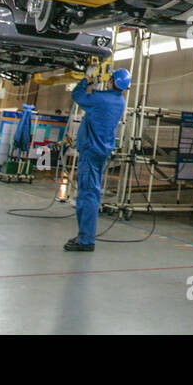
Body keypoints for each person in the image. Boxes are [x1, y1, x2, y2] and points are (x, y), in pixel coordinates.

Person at [65, 68, 130, 252]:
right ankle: (84, 236)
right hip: (101, 152)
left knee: (88, 195)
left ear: (112, 82)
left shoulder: (100, 100)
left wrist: (86, 78)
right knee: (90, 192)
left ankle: (86, 240)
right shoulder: (119, 101)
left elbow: (77, 95)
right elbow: (98, 99)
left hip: (90, 152)